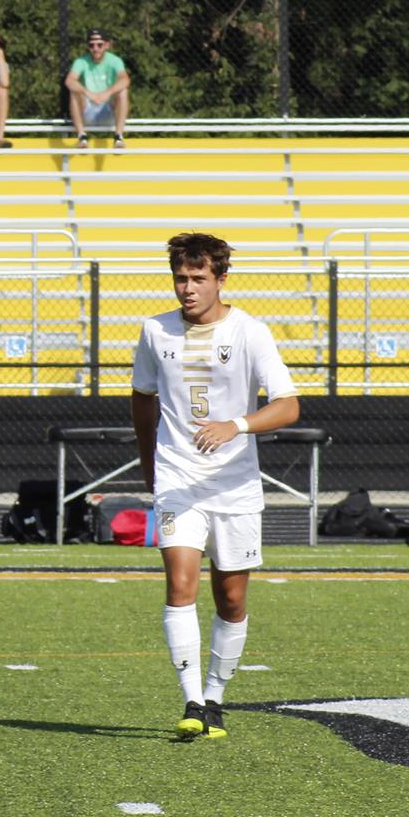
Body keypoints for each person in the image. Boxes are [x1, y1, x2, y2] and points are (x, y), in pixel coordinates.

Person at [131, 233, 299, 740]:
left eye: (198, 278)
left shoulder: (250, 332)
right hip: (178, 481)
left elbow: (289, 405)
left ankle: (216, 697)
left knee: (230, 599)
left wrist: (237, 426)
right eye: (181, 278)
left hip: (235, 487)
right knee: (180, 585)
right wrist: (149, 464)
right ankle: (191, 702)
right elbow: (141, 399)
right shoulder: (153, 331)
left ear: (221, 279)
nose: (188, 288)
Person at [65, 29, 131, 149]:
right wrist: (88, 93)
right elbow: (69, 80)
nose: (95, 49)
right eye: (91, 45)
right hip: (87, 112)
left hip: (109, 112)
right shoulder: (81, 61)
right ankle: (82, 137)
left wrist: (108, 93)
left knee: (123, 91)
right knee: (74, 91)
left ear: (107, 45)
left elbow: (125, 80)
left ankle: (118, 137)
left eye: (99, 45)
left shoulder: (115, 61)